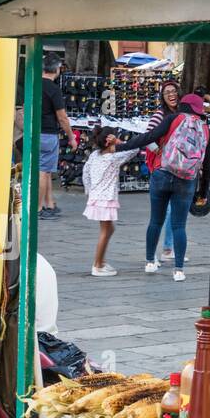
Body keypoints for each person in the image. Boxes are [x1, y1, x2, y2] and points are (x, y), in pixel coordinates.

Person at [117, 93, 210, 283]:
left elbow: (149, 137)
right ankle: (178, 270)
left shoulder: (173, 119)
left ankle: (149, 262)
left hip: (162, 173)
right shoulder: (207, 131)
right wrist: (202, 192)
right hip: (187, 180)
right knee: (179, 225)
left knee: (156, 220)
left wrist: (123, 147)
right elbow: (209, 166)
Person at [81, 126, 129, 277]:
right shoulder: (114, 158)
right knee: (105, 231)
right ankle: (97, 265)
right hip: (106, 198)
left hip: (97, 197)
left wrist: (89, 191)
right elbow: (133, 150)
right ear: (110, 141)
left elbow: (85, 173)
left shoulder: (95, 155)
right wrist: (120, 142)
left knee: (109, 229)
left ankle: (101, 261)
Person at [145, 81, 182, 261]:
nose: (171, 94)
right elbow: (147, 138)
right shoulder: (160, 115)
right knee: (166, 211)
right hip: (163, 168)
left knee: (174, 210)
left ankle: (169, 247)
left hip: (178, 167)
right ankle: (167, 249)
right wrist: (160, 152)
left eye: (174, 91)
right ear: (162, 97)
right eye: (167, 92)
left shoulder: (181, 115)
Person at [39, 56, 77, 218]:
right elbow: (62, 116)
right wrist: (71, 136)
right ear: (57, 69)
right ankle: (38, 208)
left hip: (35, 132)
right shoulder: (53, 89)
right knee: (43, 171)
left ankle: (49, 203)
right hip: (48, 133)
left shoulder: (35, 84)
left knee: (46, 171)